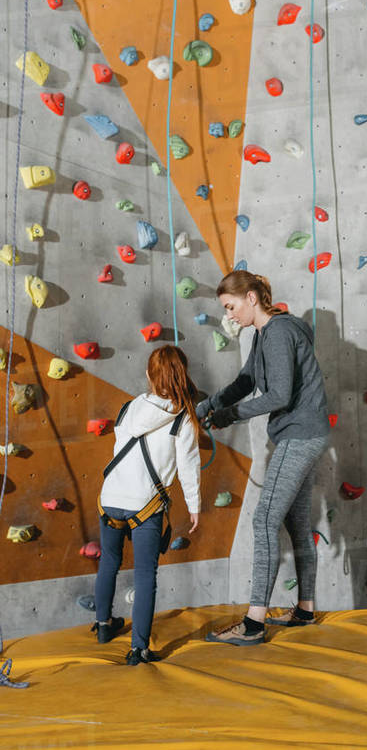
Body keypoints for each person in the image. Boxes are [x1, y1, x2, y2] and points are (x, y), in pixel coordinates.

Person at [201, 271, 329, 645]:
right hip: (305, 433)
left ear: (252, 298)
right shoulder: (264, 333)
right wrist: (209, 405)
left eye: (231, 307)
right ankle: (305, 609)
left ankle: (254, 623)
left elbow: (279, 396)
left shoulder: (279, 332)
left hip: (299, 434)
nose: (229, 315)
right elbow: (246, 382)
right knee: (297, 523)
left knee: (264, 519)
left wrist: (229, 416)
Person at [92, 345, 201, 665]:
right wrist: (194, 506)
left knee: (109, 560)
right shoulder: (183, 417)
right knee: (144, 574)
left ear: (148, 375)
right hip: (145, 505)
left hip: (110, 498)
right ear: (183, 374)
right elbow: (188, 467)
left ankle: (103, 625)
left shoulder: (129, 408)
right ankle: (138, 649)